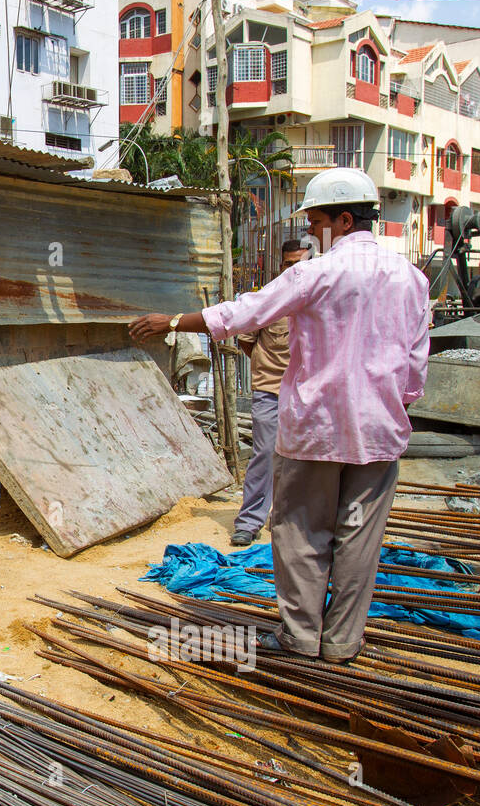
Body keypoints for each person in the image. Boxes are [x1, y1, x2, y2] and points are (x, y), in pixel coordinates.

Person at [130, 167, 430, 664]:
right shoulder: (412, 279)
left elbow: (247, 311)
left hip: (317, 430)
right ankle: (341, 644)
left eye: (315, 220)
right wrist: (393, 407)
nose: (311, 230)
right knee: (359, 540)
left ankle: (300, 636)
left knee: (300, 534)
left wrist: (176, 320)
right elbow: (416, 365)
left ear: (344, 218)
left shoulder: (316, 273)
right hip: (379, 434)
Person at [230, 239, 312, 546]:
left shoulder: (316, 299)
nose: (294, 269)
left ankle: (291, 519)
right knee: (265, 454)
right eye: (288, 263)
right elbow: (246, 340)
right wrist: (270, 369)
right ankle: (250, 521)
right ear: (281, 266)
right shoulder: (268, 299)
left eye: (300, 263)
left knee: (305, 459)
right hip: (270, 390)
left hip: (308, 394)